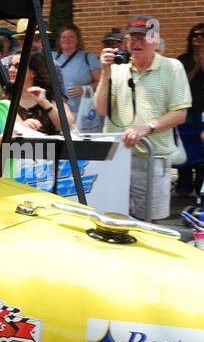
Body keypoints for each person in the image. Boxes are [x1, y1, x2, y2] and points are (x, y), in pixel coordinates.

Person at [93, 15, 191, 222]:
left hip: (152, 155)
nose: (136, 43)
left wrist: (147, 127)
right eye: (131, 38)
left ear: (155, 40)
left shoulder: (172, 67)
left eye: (142, 37)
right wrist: (105, 71)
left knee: (148, 221)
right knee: (110, 216)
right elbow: (101, 109)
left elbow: (180, 113)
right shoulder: (116, 68)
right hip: (116, 156)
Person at [10, 48, 71, 134]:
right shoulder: (7, 97)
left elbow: (68, 125)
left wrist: (45, 104)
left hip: (50, 147)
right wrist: (22, 126)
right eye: (11, 65)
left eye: (17, 66)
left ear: (33, 72)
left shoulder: (50, 95)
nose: (11, 70)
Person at [175, 23, 204, 198]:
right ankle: (183, 186)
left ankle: (200, 185)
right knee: (185, 147)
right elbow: (180, 83)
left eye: (202, 35)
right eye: (195, 35)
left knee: (202, 150)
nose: (198, 39)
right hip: (186, 109)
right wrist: (196, 65)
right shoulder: (183, 59)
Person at [53, 23, 101, 105]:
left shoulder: (88, 57)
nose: (67, 39)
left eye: (71, 36)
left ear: (78, 39)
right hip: (59, 109)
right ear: (59, 40)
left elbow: (101, 83)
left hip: (82, 110)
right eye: (63, 37)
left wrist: (85, 89)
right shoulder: (52, 57)